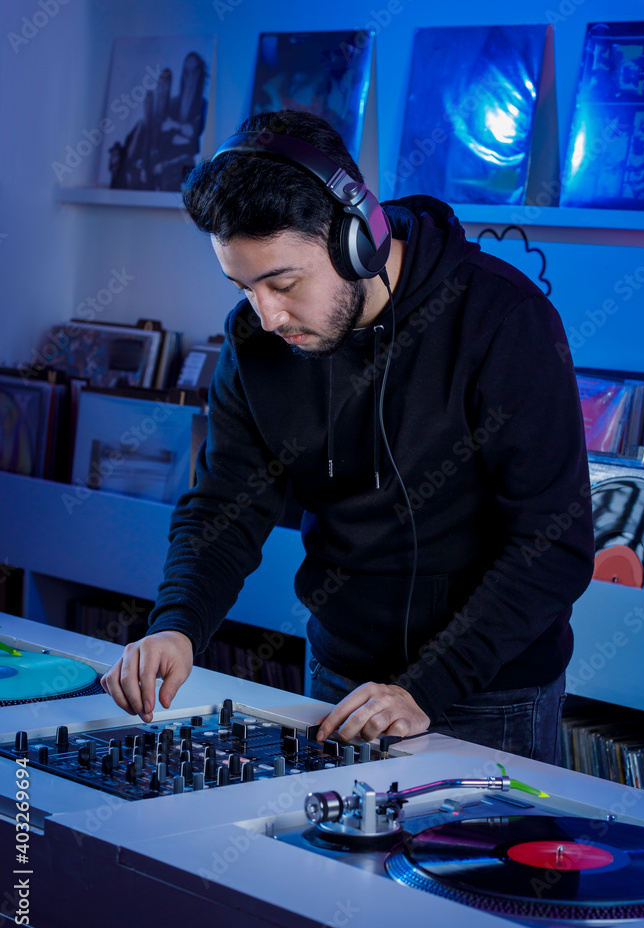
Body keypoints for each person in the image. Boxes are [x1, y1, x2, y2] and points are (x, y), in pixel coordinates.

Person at [100, 109, 595, 764]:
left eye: (283, 283)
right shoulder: (253, 342)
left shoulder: (505, 320)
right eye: (244, 287)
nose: (266, 316)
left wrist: (425, 688)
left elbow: (552, 543)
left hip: (489, 693)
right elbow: (225, 507)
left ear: (357, 239)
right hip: (339, 678)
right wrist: (177, 626)